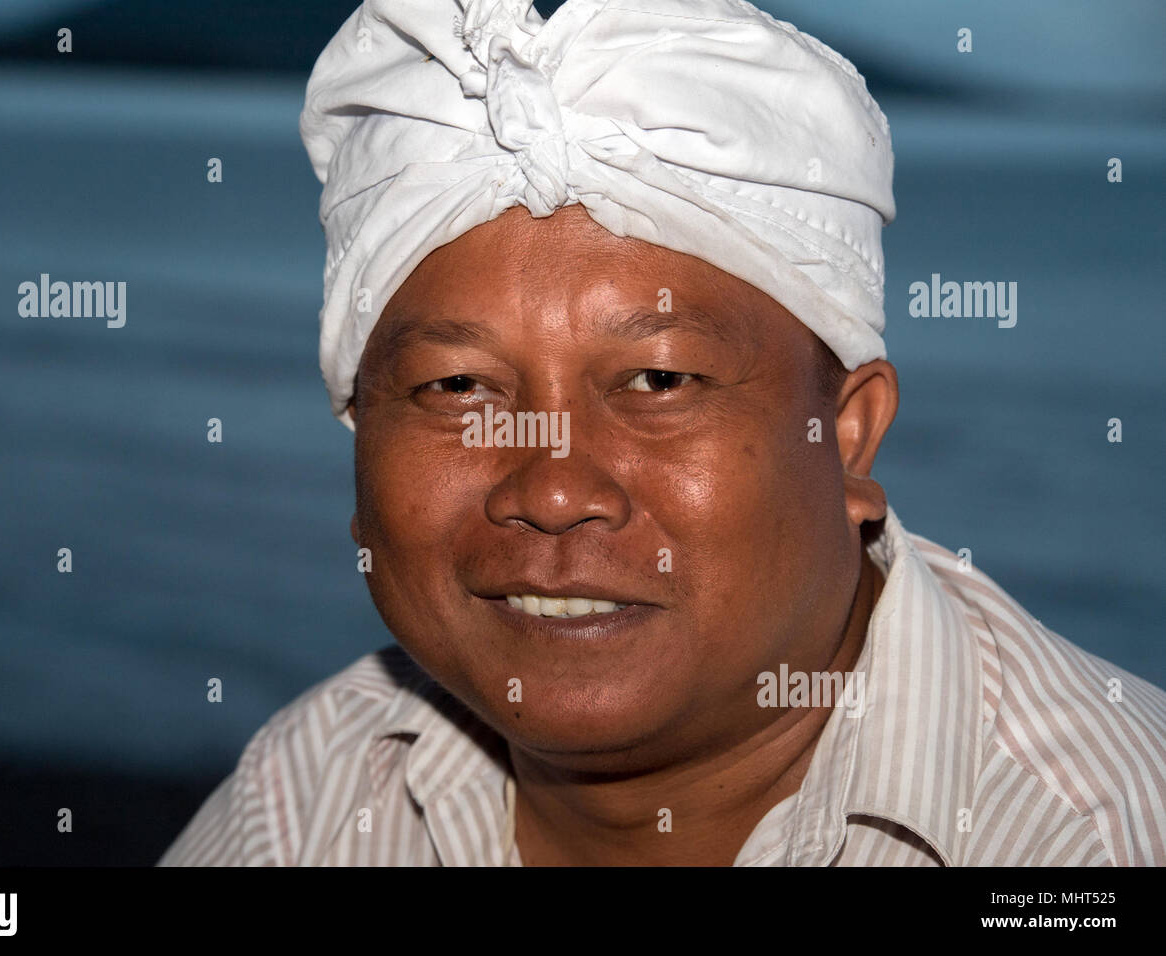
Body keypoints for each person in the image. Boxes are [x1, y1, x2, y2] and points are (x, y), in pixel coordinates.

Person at [159, 0, 1166, 866]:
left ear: (846, 438)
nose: (551, 487)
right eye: (456, 384)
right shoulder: (312, 802)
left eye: (659, 378)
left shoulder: (1083, 840)